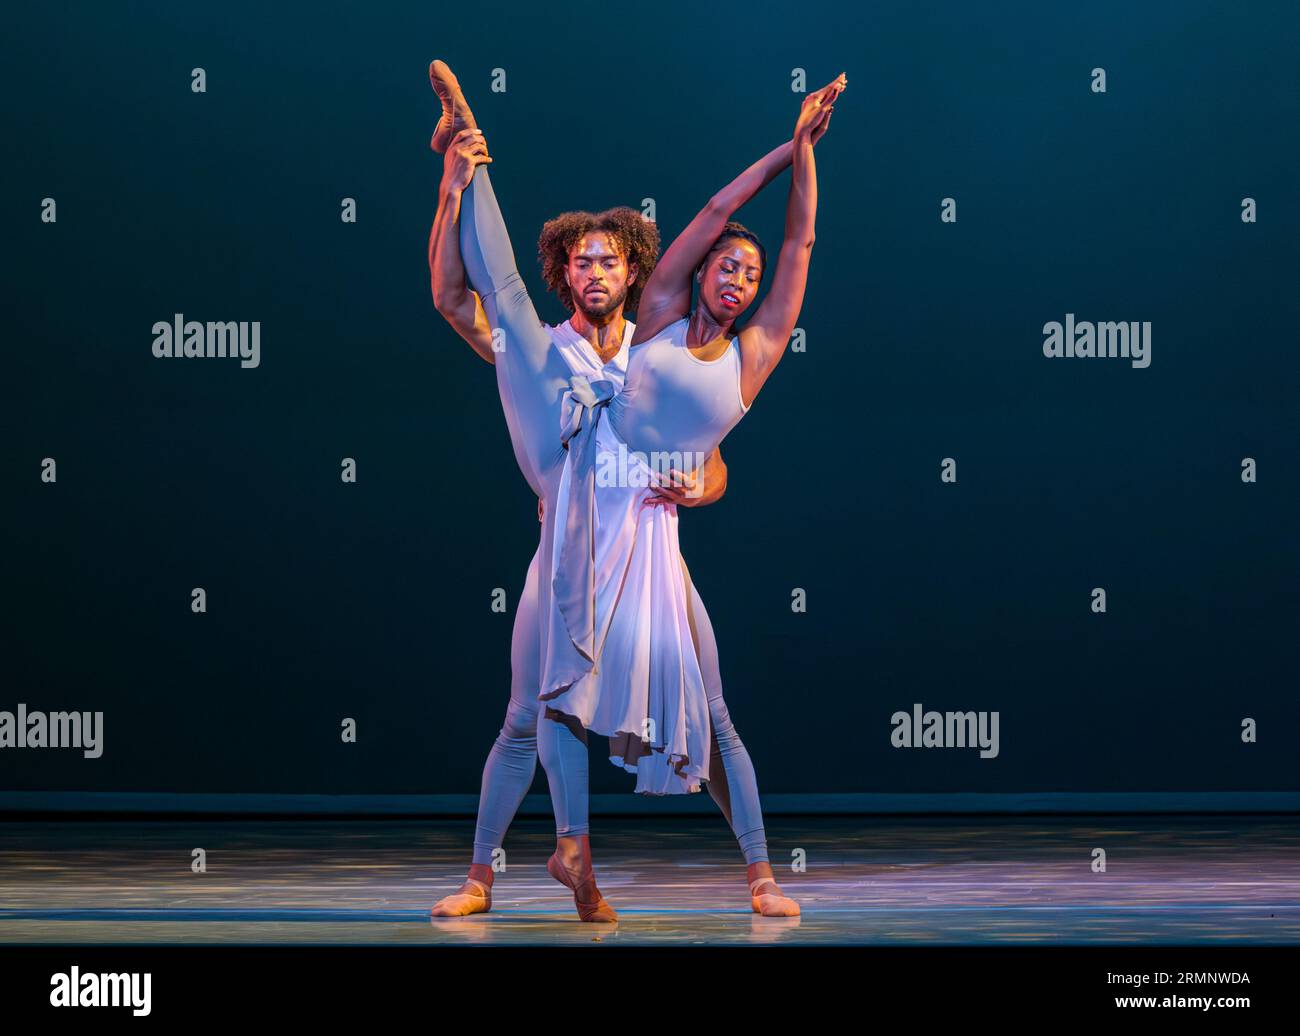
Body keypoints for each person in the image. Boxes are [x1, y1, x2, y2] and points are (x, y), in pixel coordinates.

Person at [425, 61, 798, 919]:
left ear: (635, 273)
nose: (596, 272)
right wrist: (450, 188)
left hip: (649, 555)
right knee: (526, 713)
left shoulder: (655, 345)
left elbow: (708, 452)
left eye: (611, 260)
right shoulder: (542, 346)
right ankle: (487, 876)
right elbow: (456, 294)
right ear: (568, 271)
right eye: (582, 260)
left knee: (711, 713)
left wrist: (703, 483)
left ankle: (759, 873)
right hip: (565, 544)